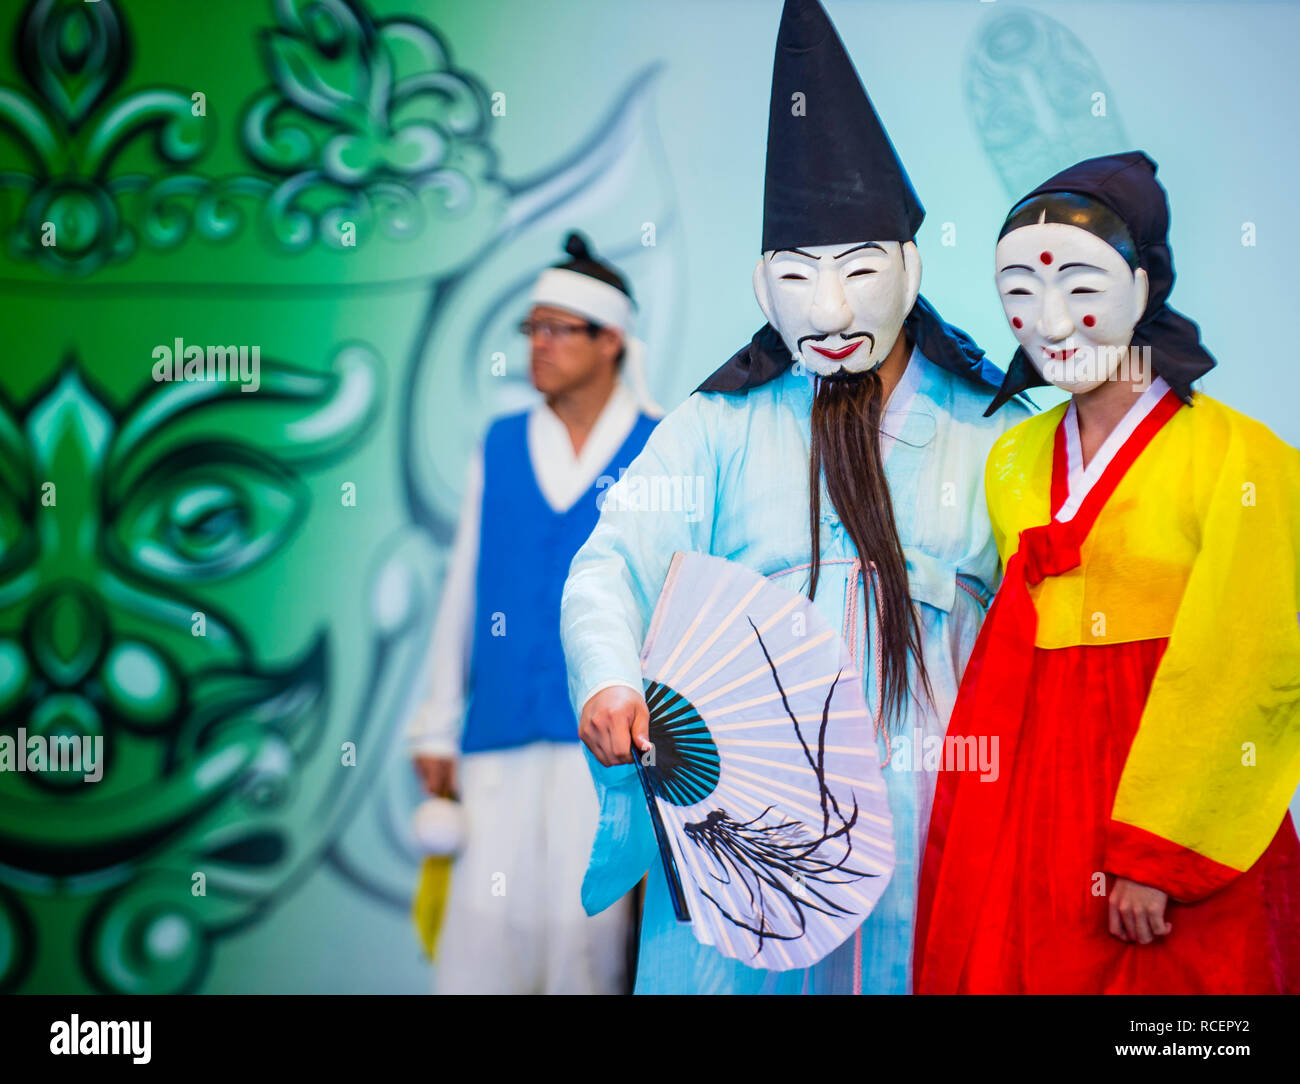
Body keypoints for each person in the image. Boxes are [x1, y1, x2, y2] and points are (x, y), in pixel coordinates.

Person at [559, 0, 1029, 995]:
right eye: (799, 274)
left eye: (859, 271)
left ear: (908, 264)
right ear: (763, 280)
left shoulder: (995, 431)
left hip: (940, 805)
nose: (832, 306)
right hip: (753, 819)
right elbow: (610, 562)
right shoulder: (721, 424)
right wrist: (607, 677)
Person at [916, 151, 1300, 994]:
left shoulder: (1244, 458)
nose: (1050, 320)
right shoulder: (1013, 458)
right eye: (1019, 291)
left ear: (1146, 284)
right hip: (1029, 793)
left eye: (1081, 287)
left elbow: (1248, 663)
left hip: (1166, 793)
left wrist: (1159, 851)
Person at [408, 232, 661, 994]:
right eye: (533, 328)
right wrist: (437, 720)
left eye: (558, 329)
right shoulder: (502, 443)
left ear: (610, 339)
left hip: (608, 749)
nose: (538, 345)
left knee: (587, 950)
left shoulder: (662, 445)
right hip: (499, 736)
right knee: (481, 949)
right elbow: (463, 589)